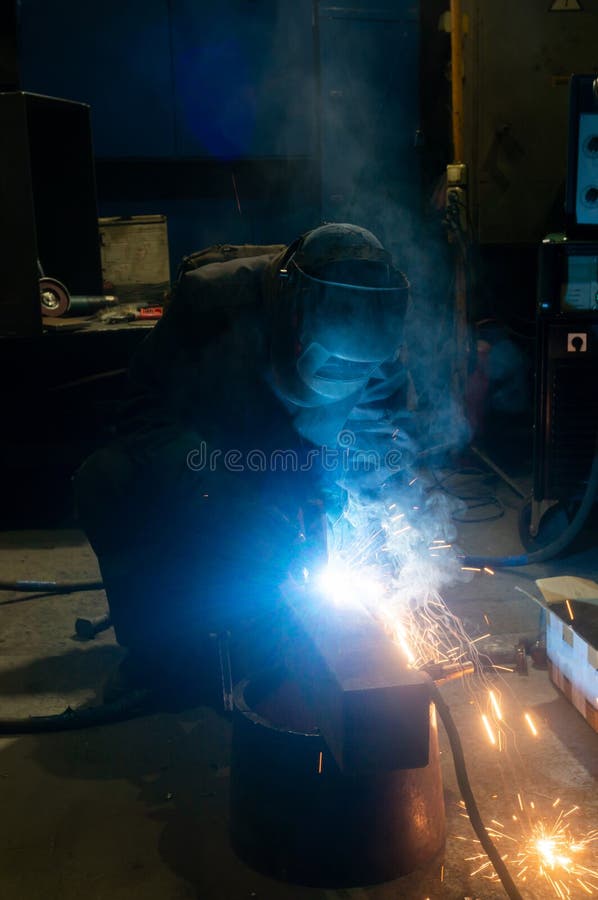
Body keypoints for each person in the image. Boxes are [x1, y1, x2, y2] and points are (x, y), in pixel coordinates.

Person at [74, 223, 411, 704]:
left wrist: (355, 505)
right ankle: (157, 657)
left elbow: (383, 443)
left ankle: (271, 629)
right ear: (292, 315)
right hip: (212, 455)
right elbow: (142, 413)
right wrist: (215, 491)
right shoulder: (211, 304)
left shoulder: (380, 331)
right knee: (106, 481)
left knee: (284, 591)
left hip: (295, 460)